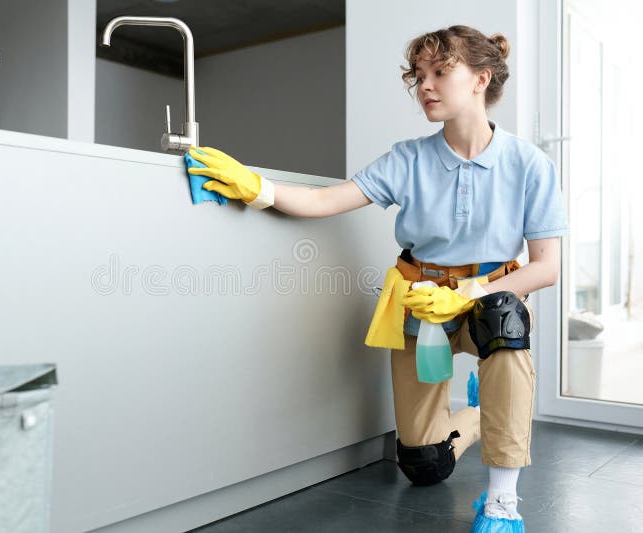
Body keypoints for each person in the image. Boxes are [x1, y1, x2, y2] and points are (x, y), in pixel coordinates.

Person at [187, 25, 567, 533]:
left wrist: (473, 293)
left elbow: (546, 266)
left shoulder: (530, 165)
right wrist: (258, 189)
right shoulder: (408, 159)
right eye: (419, 76)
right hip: (419, 299)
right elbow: (326, 201)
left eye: (440, 72)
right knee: (423, 464)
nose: (424, 86)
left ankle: (502, 503)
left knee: (505, 325)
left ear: (481, 78)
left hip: (488, 299)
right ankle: (477, 415)